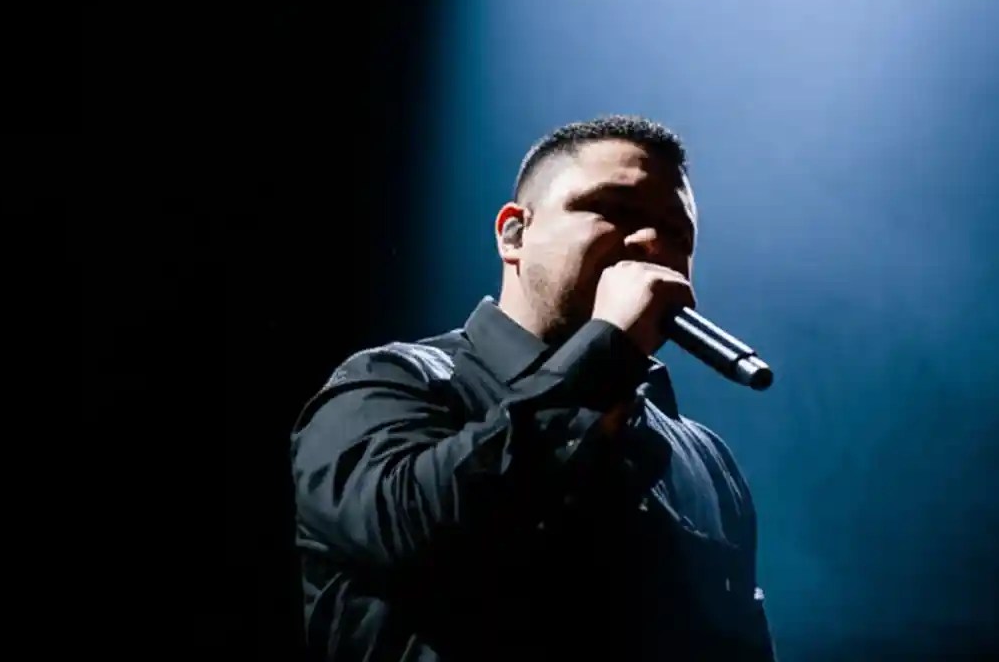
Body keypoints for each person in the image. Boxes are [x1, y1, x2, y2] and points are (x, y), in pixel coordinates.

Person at [290, 115, 777, 661]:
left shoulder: (705, 461)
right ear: (514, 234)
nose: (651, 242)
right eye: (614, 210)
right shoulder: (394, 386)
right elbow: (419, 533)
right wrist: (605, 351)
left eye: (677, 232)